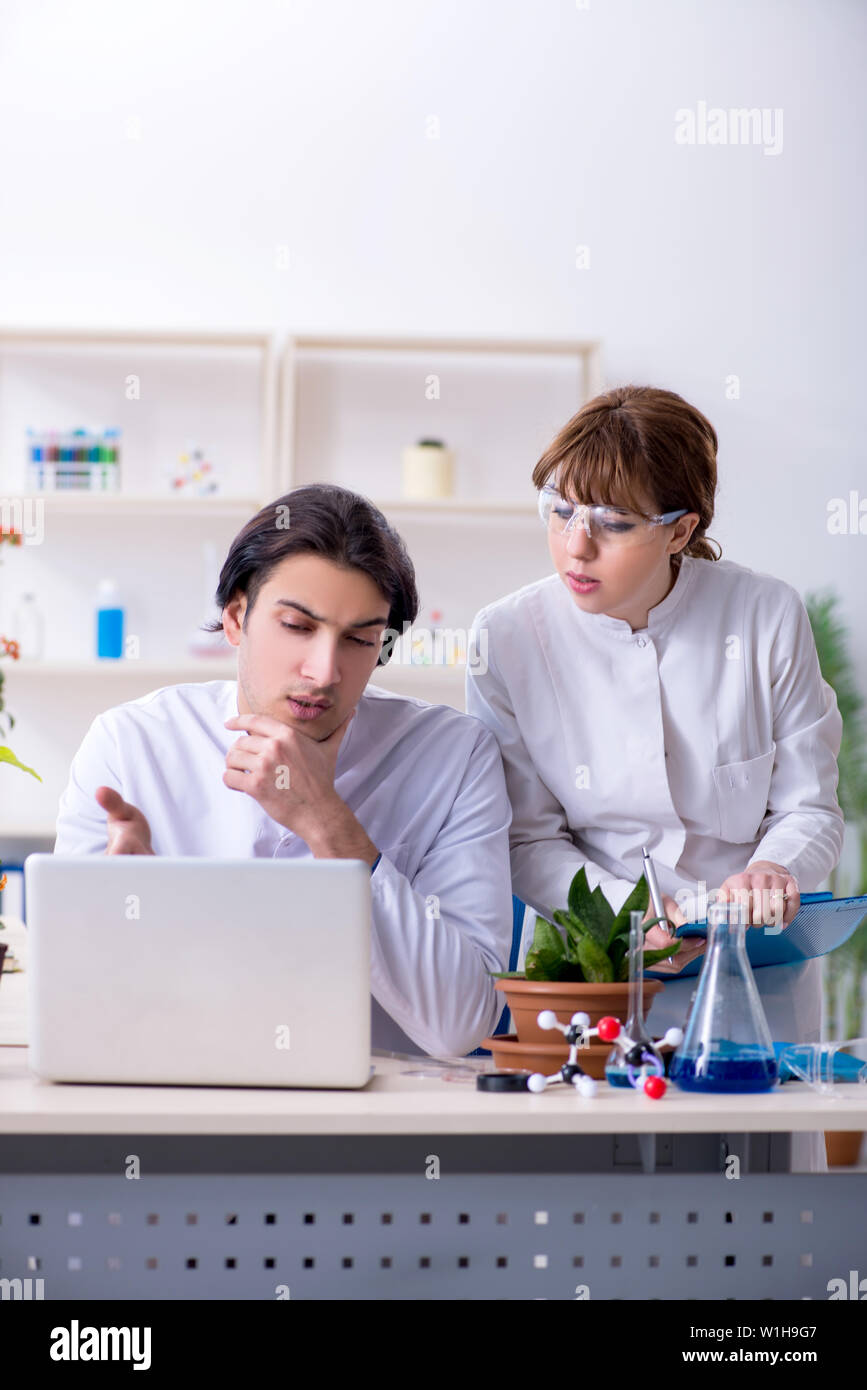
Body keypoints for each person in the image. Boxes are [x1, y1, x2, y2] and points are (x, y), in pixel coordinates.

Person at [466, 385, 844, 1169]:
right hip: (597, 977)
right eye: (559, 509)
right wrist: (635, 919)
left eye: (612, 524)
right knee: (596, 1220)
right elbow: (528, 837)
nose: (575, 545)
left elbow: (810, 806)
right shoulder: (507, 637)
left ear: (682, 530)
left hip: (752, 978)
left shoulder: (763, 615)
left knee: (759, 1218)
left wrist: (773, 868)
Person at [54, 484, 513, 1058]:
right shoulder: (132, 745)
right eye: (298, 626)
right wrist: (136, 919)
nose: (323, 672)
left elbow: (460, 1025)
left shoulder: (452, 756)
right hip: (173, 1102)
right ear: (236, 616)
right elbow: (73, 1001)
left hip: (374, 1127)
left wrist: (329, 824)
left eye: (359, 639)